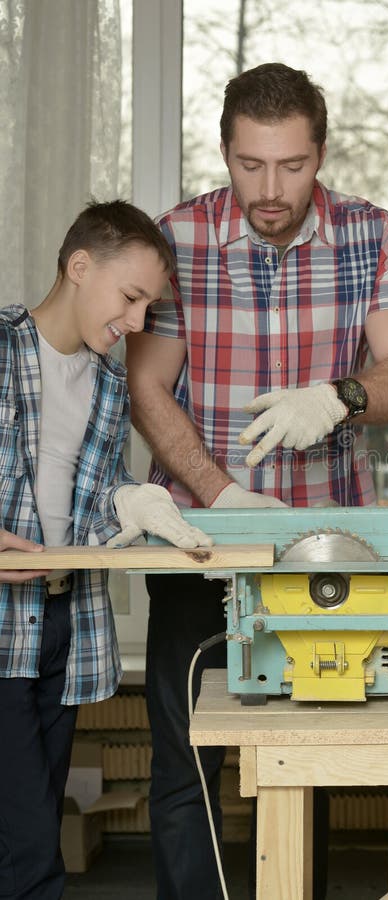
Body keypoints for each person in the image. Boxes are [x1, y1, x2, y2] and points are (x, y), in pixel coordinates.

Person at [126, 61, 388, 900]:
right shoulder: (176, 240)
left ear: (320, 154)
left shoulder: (373, 234)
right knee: (187, 758)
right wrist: (218, 493)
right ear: (224, 150)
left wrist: (341, 395)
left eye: (292, 166)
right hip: (198, 543)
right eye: (250, 164)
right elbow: (148, 385)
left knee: (304, 762)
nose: (270, 187)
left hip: (321, 551)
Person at [0, 200, 212, 900]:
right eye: (130, 297)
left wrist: (131, 501)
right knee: (30, 852)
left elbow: (88, 503)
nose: (137, 323)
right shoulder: (1, 350)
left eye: (149, 305)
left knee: (31, 831)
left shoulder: (109, 385)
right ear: (78, 266)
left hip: (61, 627)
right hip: (2, 628)